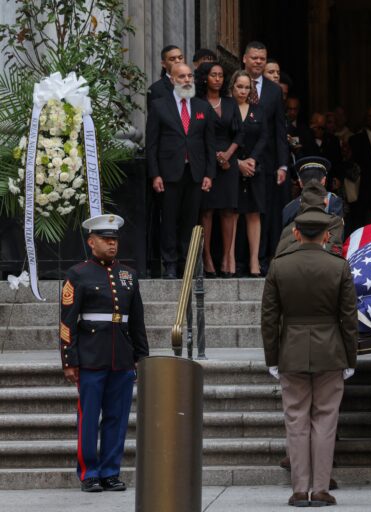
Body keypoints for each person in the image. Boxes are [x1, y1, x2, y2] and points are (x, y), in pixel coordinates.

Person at [261, 208, 358, 507]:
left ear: (296, 233)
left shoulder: (279, 266)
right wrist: (350, 358)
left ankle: (300, 490)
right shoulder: (338, 267)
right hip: (331, 351)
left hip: (290, 349)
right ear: (327, 236)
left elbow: (269, 318)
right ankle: (320, 489)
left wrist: (272, 357)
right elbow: (348, 318)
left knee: (296, 419)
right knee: (326, 419)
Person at [60, 214, 149, 492]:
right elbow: (67, 321)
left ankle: (111, 471)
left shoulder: (128, 275)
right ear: (91, 241)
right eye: (105, 240)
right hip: (90, 356)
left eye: (114, 240)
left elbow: (136, 320)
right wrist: (69, 359)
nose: (112, 244)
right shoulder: (77, 274)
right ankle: (89, 472)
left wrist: (141, 357)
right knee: (89, 418)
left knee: (117, 416)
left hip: (121, 357)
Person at [146, 63, 216, 279]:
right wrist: (155, 174)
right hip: (168, 174)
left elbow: (209, 145)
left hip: (195, 173)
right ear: (173, 80)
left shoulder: (202, 107)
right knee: (168, 219)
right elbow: (152, 144)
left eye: (190, 76)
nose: (187, 80)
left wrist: (209, 174)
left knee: (190, 220)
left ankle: (189, 262)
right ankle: (170, 264)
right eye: (182, 76)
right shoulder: (159, 106)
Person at [242, 41, 290, 270]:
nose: (259, 62)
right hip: (239, 157)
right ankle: (241, 260)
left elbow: (280, 129)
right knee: (239, 209)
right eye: (254, 57)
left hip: (268, 161)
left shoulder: (273, 90)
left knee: (265, 210)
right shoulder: (236, 84)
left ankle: (261, 259)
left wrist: (283, 164)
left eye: (262, 58)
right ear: (245, 59)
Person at [196, 62, 242, 278]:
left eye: (221, 75)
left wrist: (228, 155)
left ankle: (226, 257)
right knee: (207, 211)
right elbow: (198, 134)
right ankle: (207, 258)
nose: (218, 79)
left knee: (228, 210)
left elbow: (239, 134)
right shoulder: (198, 102)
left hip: (229, 162)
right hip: (207, 160)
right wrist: (215, 156)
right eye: (213, 75)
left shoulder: (231, 103)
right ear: (205, 78)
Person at [230, 70, 267, 277]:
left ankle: (254, 261)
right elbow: (222, 139)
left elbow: (264, 138)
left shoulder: (258, 111)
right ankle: (231, 260)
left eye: (246, 87)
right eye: (239, 86)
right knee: (232, 214)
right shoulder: (226, 109)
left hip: (255, 169)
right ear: (232, 87)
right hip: (231, 169)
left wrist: (252, 159)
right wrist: (237, 163)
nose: (243, 91)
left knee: (254, 214)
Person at [276, 180, 345, 257]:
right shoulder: (334, 223)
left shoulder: (288, 229)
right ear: (326, 202)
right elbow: (335, 253)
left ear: (301, 202)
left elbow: (280, 255)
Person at [282, 156, 344, 227]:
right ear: (323, 181)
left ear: (300, 182)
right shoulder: (333, 202)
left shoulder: (289, 208)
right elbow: (338, 235)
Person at [299, 113, 343, 189]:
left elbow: (338, 162)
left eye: (321, 128)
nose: (318, 130)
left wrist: (338, 178)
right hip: (309, 183)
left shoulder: (333, 140)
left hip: (329, 183)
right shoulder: (304, 140)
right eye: (315, 127)